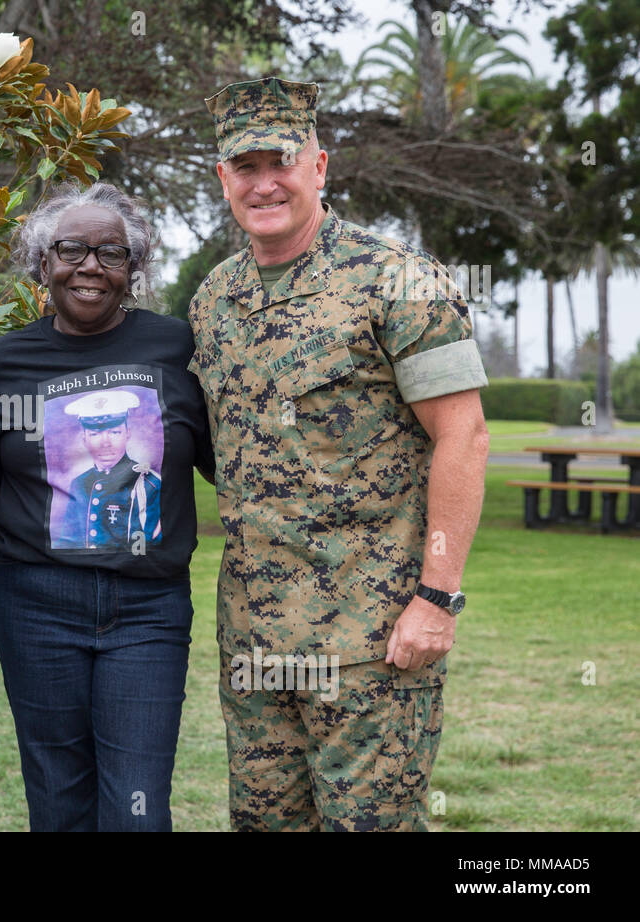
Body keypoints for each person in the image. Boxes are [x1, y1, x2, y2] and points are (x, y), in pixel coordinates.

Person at [191, 77, 490, 831]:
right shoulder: (214, 300)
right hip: (257, 644)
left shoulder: (396, 282)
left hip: (374, 642)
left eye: (280, 161)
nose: (264, 183)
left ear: (319, 166)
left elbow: (465, 436)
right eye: (244, 166)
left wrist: (438, 597)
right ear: (223, 179)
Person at [0, 182, 215, 831]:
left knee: (137, 805)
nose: (90, 266)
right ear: (42, 263)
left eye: (110, 252)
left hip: (148, 608)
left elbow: (226, 461)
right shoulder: (7, 361)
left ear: (133, 268)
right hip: (36, 605)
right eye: (72, 250)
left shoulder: (176, 348)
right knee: (58, 799)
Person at [59, 389, 162, 549]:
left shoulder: (149, 483)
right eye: (95, 434)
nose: (105, 442)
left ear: (127, 434)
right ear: (84, 438)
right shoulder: (78, 484)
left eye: (114, 432)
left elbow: (152, 547)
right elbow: (67, 542)